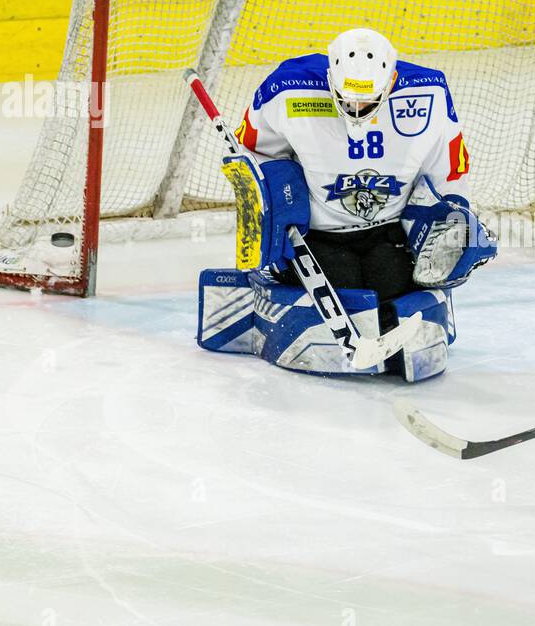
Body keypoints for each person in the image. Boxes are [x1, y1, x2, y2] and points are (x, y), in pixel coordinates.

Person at [195, 27, 495, 382]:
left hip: (389, 232)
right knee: (348, 288)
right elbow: (253, 153)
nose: (355, 109)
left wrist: (453, 217)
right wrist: (273, 201)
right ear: (330, 77)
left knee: (394, 284)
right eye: (346, 98)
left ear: (392, 79)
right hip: (318, 236)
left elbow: (449, 171)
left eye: (367, 101)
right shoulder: (287, 88)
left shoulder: (428, 94)